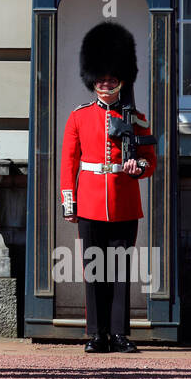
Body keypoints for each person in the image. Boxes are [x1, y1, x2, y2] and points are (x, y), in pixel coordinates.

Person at [60, 20, 158, 354]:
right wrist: (69, 202)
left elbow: (150, 161)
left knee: (118, 270)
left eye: (112, 78)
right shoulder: (79, 117)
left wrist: (137, 167)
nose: (106, 83)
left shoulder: (137, 118)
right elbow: (69, 163)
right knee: (93, 269)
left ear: (122, 79)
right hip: (88, 200)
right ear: (93, 79)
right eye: (101, 78)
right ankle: (96, 333)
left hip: (124, 201)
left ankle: (118, 333)